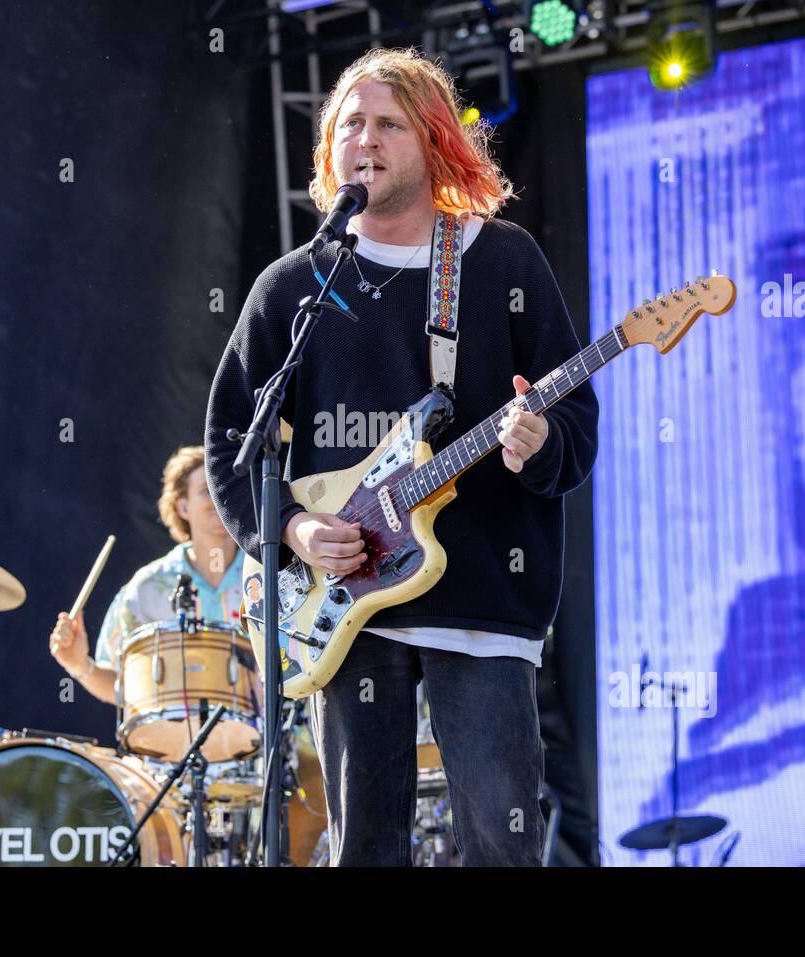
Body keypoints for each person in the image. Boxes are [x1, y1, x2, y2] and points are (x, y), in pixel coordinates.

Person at [204, 48, 599, 866]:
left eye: (390, 123)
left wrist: (536, 443)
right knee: (364, 849)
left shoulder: (502, 261)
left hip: (485, 600)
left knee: (501, 840)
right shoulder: (295, 288)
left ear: (435, 142)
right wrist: (294, 534)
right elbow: (230, 440)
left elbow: (576, 428)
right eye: (351, 123)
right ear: (329, 150)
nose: (367, 139)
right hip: (345, 609)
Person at [49, 445, 245, 703]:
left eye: (226, 484)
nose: (220, 495)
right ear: (182, 507)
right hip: (179, 741)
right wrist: (78, 665)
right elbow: (124, 686)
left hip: (272, 740)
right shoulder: (148, 587)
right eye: (207, 490)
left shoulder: (269, 574)